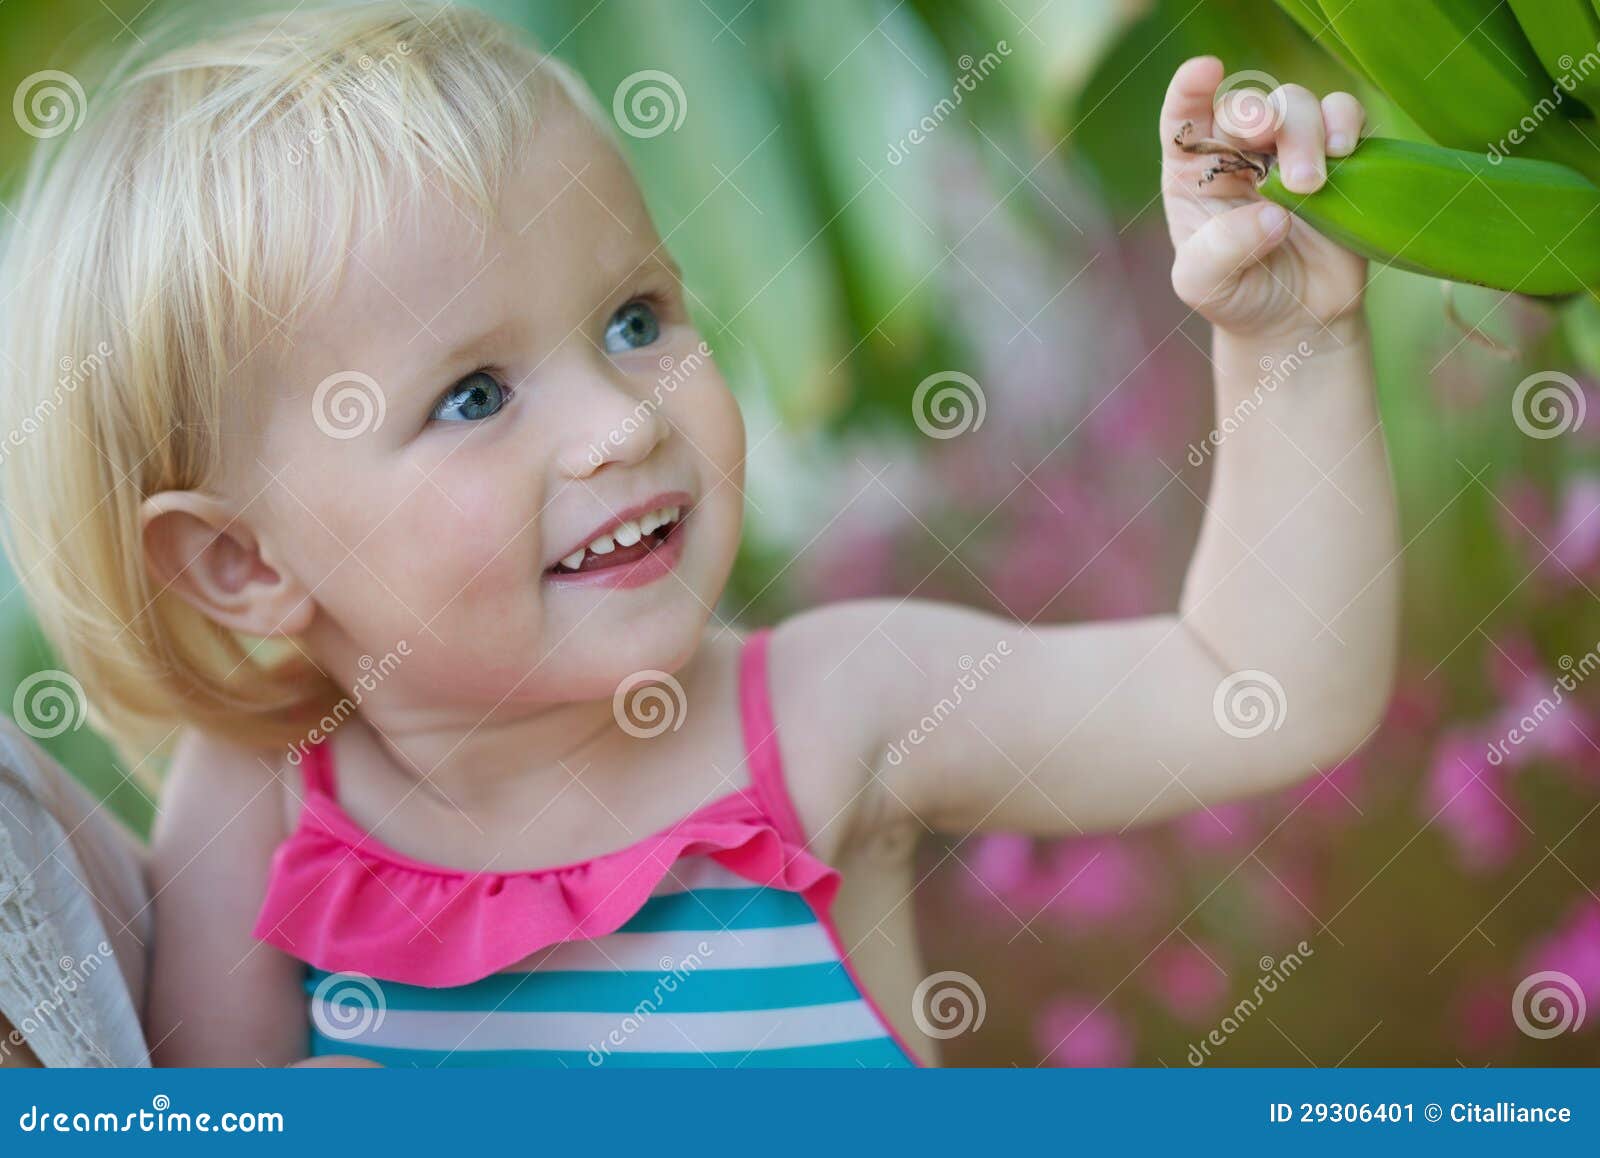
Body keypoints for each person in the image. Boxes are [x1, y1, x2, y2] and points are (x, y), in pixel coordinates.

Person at [0, 3, 1396, 1066]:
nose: (621, 423)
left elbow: (1256, 690)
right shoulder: (260, 799)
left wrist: (1289, 347)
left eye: (635, 319)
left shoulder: (839, 708)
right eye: (474, 395)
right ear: (243, 564)